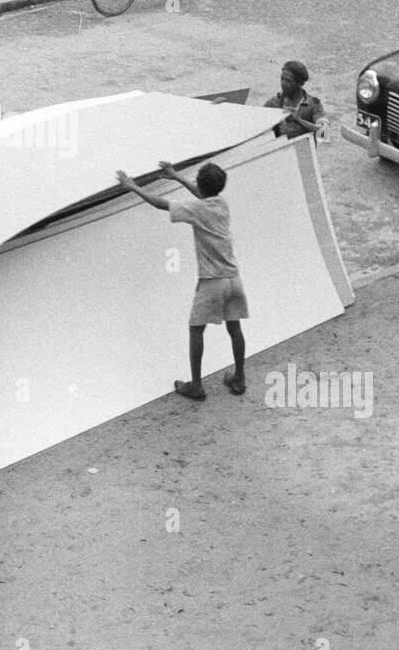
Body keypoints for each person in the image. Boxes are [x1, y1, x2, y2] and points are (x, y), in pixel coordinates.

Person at [115, 160, 248, 402]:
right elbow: (202, 195)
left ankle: (196, 386)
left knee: (196, 330)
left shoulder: (196, 210)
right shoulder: (221, 205)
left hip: (212, 281)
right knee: (234, 328)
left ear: (201, 184)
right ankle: (239, 377)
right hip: (233, 279)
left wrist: (132, 185)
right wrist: (176, 177)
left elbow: (160, 204)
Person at [264, 60, 326, 141]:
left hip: (303, 151)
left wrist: (298, 120)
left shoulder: (314, 104)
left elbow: (323, 133)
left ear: (300, 83)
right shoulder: (274, 102)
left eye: (288, 81)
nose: (283, 83)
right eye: (282, 79)